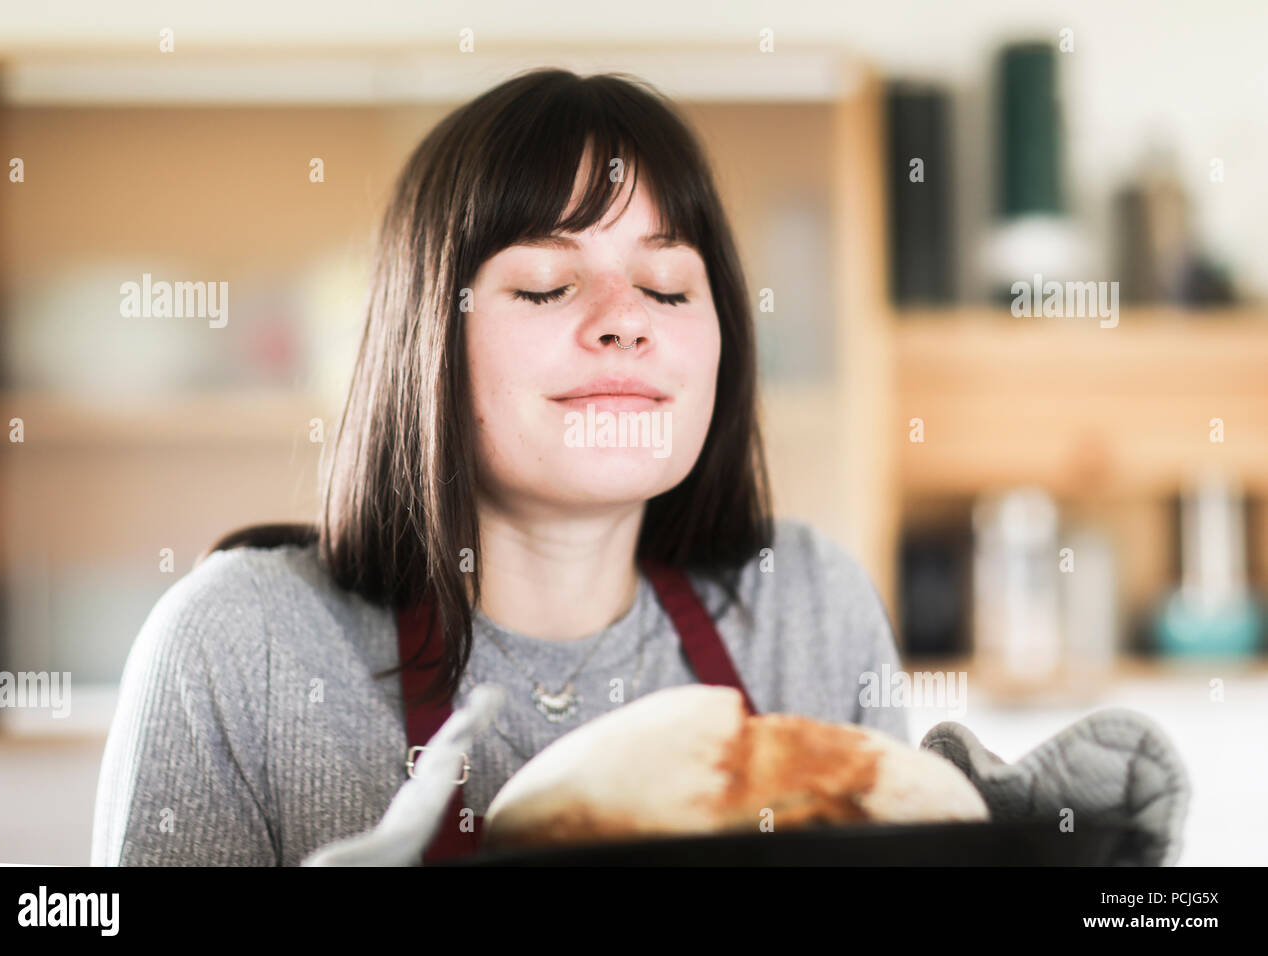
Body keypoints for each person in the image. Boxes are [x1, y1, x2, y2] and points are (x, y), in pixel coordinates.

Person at [90, 67, 908, 867]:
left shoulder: (810, 608)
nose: (626, 321)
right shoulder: (242, 646)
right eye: (547, 285)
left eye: (665, 287)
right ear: (429, 336)